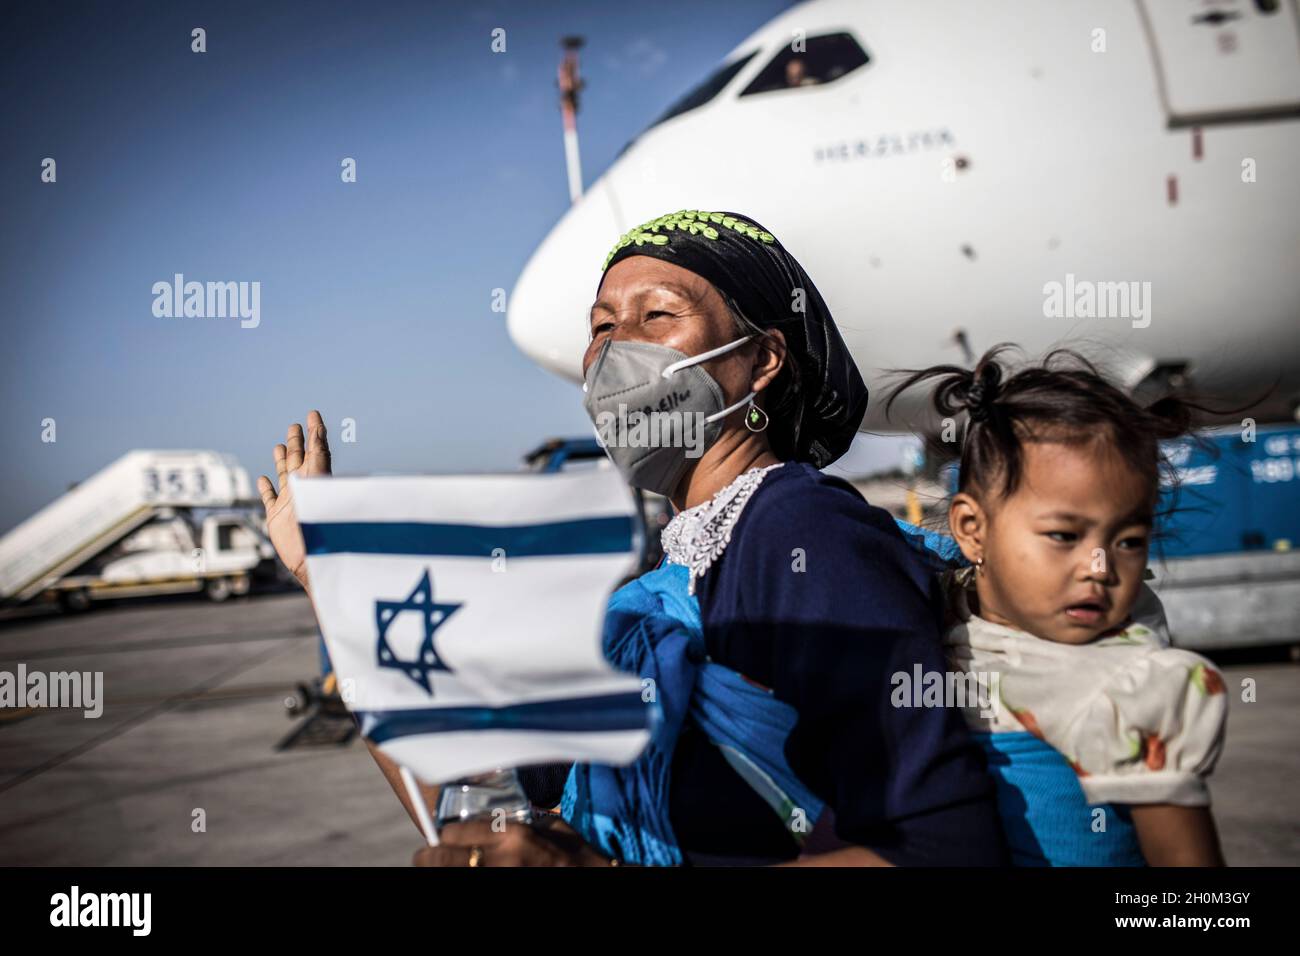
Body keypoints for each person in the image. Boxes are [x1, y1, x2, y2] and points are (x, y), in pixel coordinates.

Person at [259, 209, 1008, 866]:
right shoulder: (658, 591)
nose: (618, 352)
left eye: (658, 316)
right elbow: (483, 802)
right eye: (601, 327)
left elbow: (944, 848)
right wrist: (326, 581)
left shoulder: (800, 533)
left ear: (762, 361)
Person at [887, 346, 1229, 866]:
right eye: (1064, 535)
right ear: (972, 531)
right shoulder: (934, 593)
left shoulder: (1131, 685)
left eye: (1130, 541)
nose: (1100, 567)